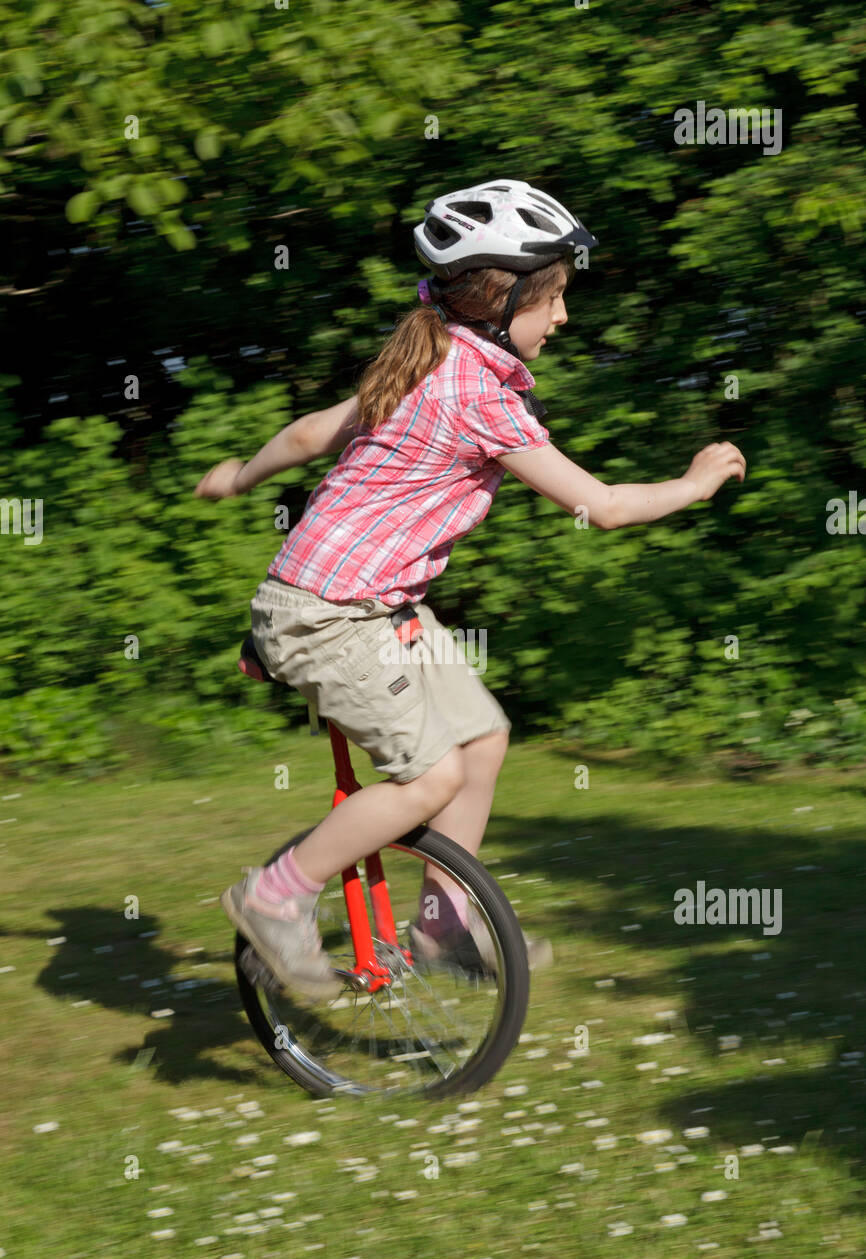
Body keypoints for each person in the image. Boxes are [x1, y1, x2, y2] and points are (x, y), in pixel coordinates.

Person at [195, 177, 746, 999]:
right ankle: (275, 896)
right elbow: (601, 507)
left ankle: (444, 922)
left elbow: (312, 434)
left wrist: (241, 474)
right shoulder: (476, 395)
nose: (564, 317)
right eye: (552, 299)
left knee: (482, 739)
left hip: (372, 605)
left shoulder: (427, 358)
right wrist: (696, 484)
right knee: (430, 780)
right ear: (500, 298)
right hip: (330, 616)